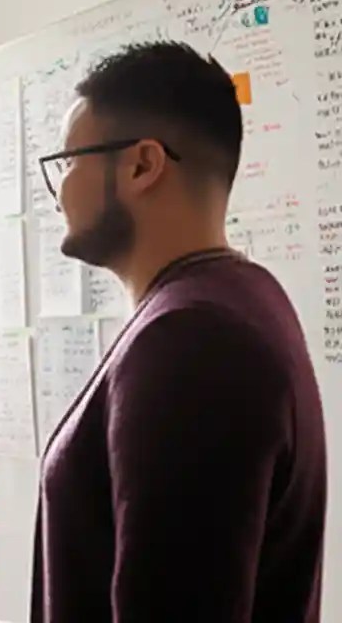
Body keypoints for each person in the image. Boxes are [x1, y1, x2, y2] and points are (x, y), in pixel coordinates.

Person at [31, 41, 326, 621]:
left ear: (143, 164)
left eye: (69, 163)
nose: (60, 189)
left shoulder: (191, 341)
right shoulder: (237, 299)